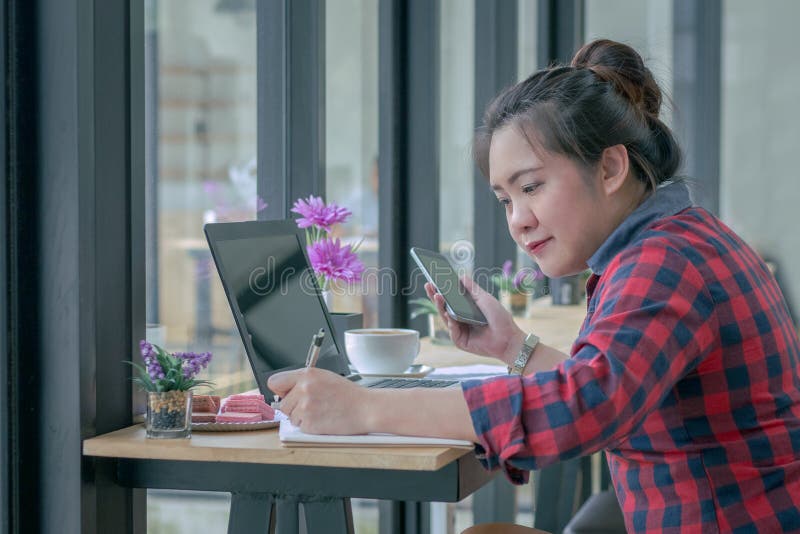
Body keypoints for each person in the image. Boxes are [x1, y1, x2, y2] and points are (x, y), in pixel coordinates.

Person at [268, 39, 800, 532]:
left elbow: (585, 407)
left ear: (610, 167)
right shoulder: (672, 241)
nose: (518, 220)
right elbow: (604, 384)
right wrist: (511, 347)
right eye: (505, 200)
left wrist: (364, 407)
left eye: (531, 187)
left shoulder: (665, 263)